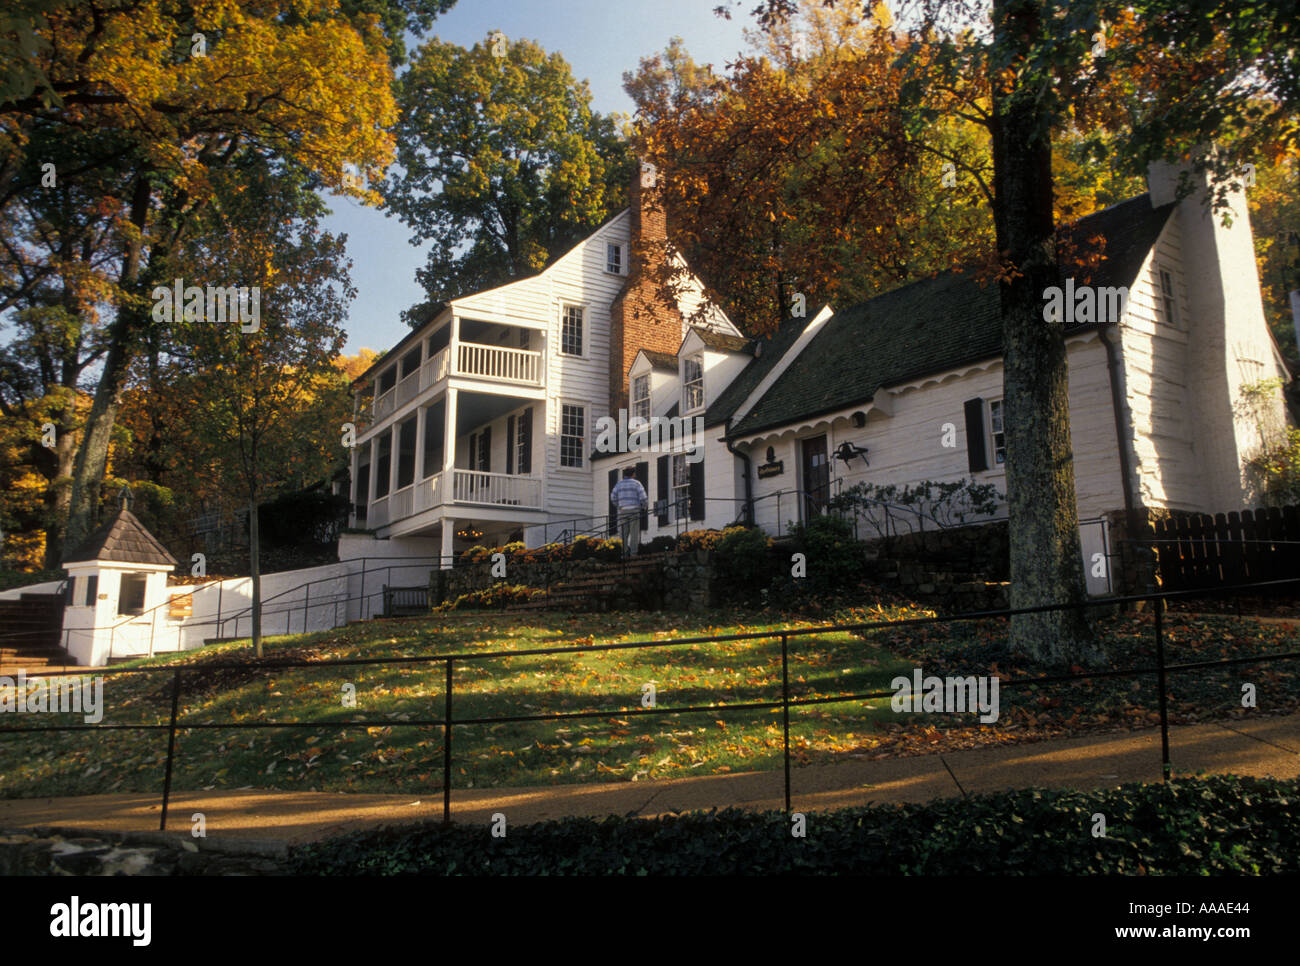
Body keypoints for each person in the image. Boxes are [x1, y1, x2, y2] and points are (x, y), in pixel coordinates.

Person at [609, 467, 648, 557]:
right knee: (634, 533)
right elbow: (643, 498)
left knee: (623, 533)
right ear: (633, 474)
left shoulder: (618, 484)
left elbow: (613, 497)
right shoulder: (636, 483)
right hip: (634, 510)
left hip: (623, 510)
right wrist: (644, 506)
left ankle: (624, 553)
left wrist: (619, 506)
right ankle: (633, 554)